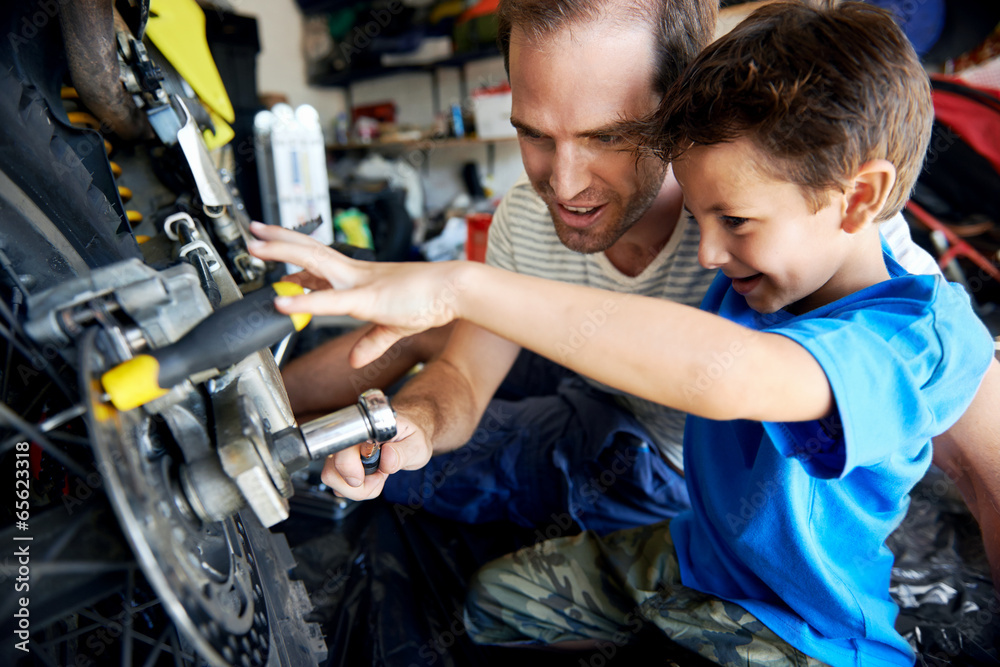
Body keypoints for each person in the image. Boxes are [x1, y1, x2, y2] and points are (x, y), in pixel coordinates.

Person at [278, 0, 955, 538]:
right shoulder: (523, 218)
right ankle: (261, 400)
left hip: (660, 455)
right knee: (433, 339)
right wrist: (418, 423)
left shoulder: (809, 223)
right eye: (534, 134)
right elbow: (463, 372)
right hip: (593, 371)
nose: (563, 184)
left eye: (608, 136)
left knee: (431, 471)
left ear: (685, 102)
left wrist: (460, 283)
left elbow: (941, 376)